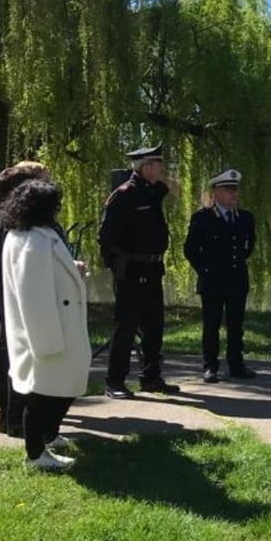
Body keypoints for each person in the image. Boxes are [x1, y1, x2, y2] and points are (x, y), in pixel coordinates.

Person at [0, 180, 91, 471]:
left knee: (55, 390)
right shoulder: (34, 243)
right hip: (51, 333)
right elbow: (34, 296)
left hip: (56, 328)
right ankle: (36, 454)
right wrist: (47, 342)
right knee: (43, 396)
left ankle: (46, 439)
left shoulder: (27, 235)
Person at [0, 162, 51, 437]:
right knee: (19, 359)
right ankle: (16, 419)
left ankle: (8, 417)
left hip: (0, 298)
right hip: (17, 299)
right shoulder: (16, 223)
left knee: (6, 356)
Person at [99, 145, 177, 399]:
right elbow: (106, 236)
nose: (162, 169)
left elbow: (167, 190)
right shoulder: (125, 194)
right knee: (126, 326)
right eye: (158, 165)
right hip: (131, 270)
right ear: (146, 167)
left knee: (154, 326)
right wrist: (117, 264)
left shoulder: (152, 192)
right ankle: (115, 381)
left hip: (153, 268)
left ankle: (151, 377)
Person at [183, 169, 257, 383]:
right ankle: (210, 366)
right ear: (216, 193)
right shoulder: (202, 218)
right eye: (228, 190)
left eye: (236, 190)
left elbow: (248, 246)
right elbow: (190, 250)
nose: (234, 194)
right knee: (211, 325)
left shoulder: (245, 218)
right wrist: (205, 270)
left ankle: (236, 364)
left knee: (236, 325)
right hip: (212, 281)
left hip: (237, 279)